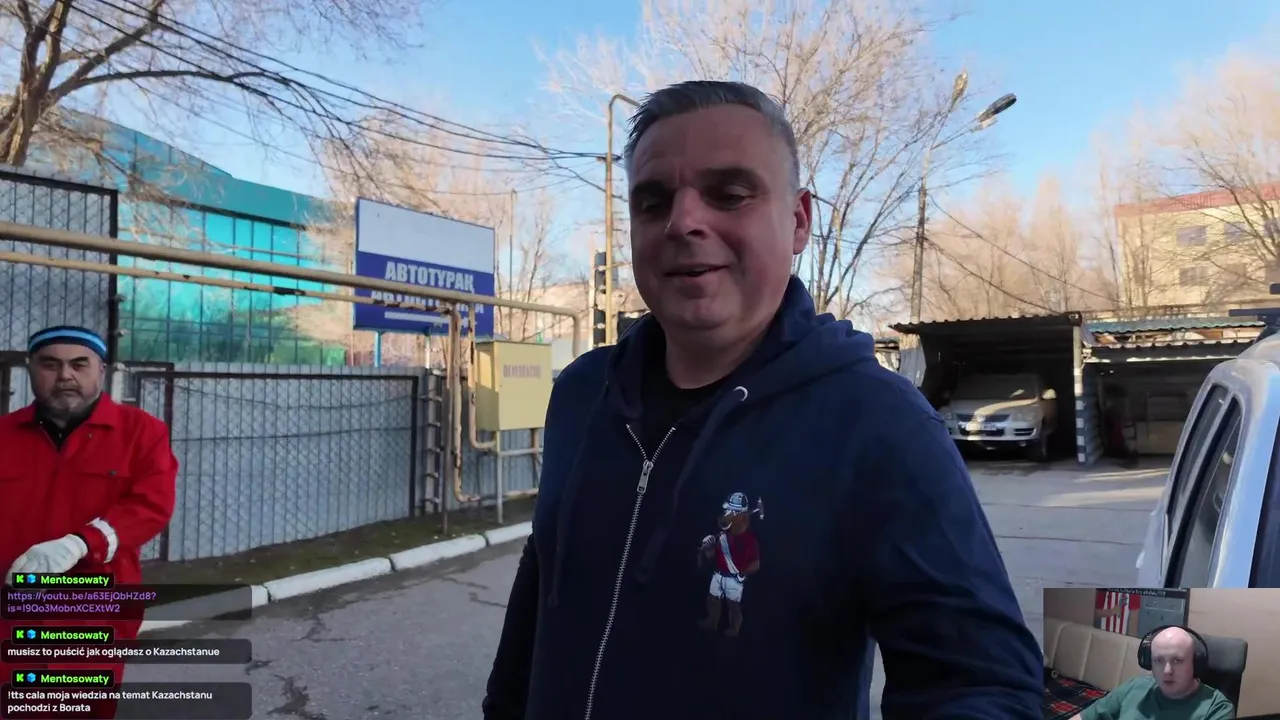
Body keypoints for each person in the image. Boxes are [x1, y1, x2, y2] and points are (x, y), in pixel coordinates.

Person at [482, 80, 1042, 720]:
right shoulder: (582, 394)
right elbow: (540, 597)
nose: (682, 222)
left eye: (729, 194)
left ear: (799, 221)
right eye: (653, 201)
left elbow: (981, 685)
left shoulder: (877, 423)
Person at [1, 325, 178, 718]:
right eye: (50, 364)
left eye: (79, 365)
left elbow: (151, 505)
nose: (65, 375)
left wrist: (80, 543)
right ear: (30, 369)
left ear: (102, 370)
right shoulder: (4, 435)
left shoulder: (142, 433)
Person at [1073, 626, 1235, 720]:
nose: (1167, 670)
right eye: (1158, 660)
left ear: (1195, 663)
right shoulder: (1134, 687)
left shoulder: (1217, 709)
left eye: (1177, 660)